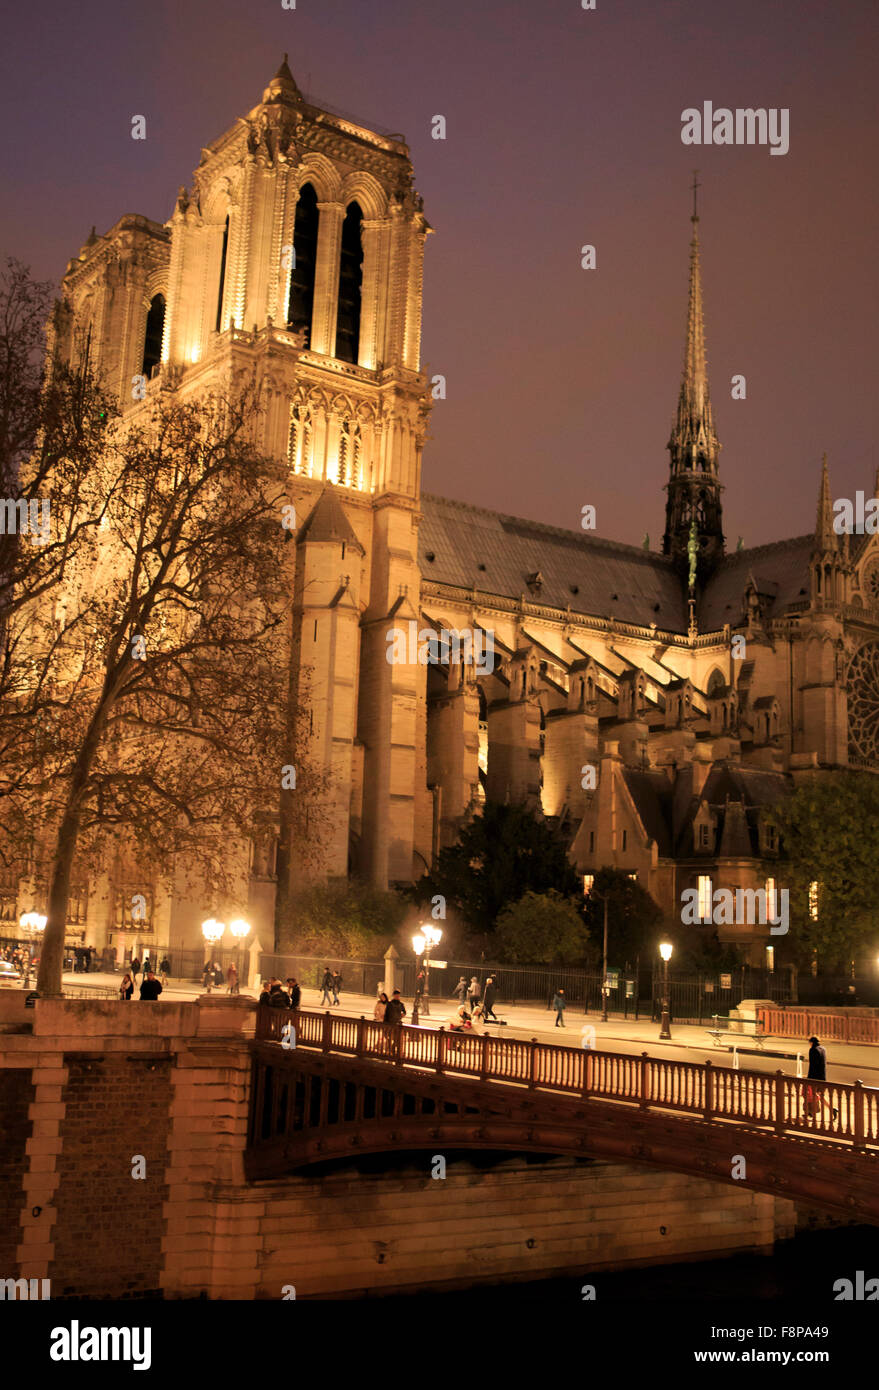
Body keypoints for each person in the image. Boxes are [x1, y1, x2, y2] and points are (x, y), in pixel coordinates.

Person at [806, 1035, 838, 1122]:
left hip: (814, 1077)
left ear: (811, 1043)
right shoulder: (823, 1049)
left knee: (812, 1095)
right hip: (822, 1076)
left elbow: (812, 1065)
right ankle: (832, 1110)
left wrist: (808, 1078)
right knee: (819, 1095)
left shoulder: (812, 1050)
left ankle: (811, 1112)